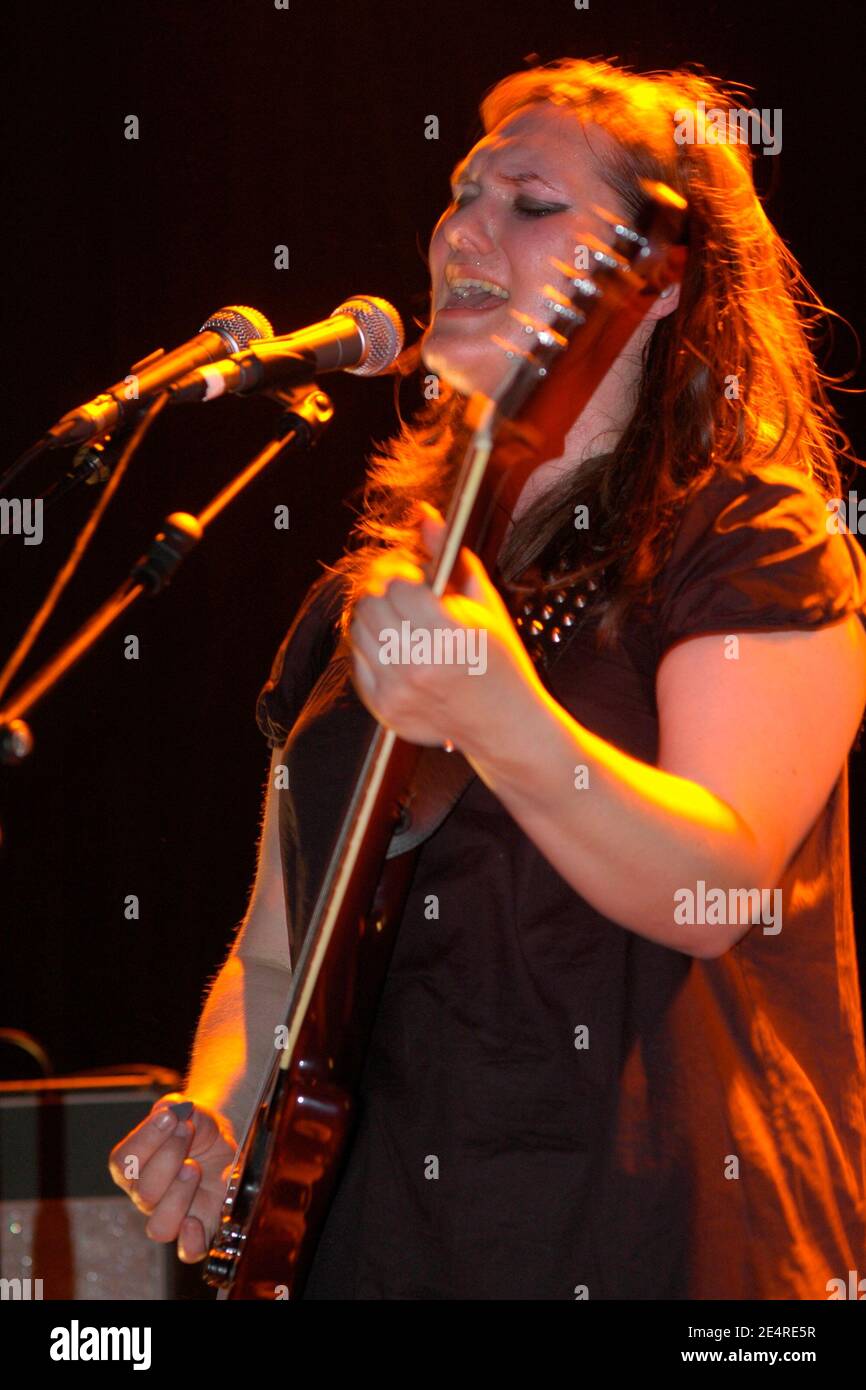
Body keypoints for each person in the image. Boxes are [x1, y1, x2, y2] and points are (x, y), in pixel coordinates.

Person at [109, 56, 866, 1300]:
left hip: (650, 1239)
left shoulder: (742, 532)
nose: (460, 225)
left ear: (652, 280)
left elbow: (719, 887)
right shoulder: (371, 598)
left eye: (527, 201)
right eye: (459, 193)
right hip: (383, 1248)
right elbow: (269, 959)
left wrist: (501, 717)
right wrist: (216, 1109)